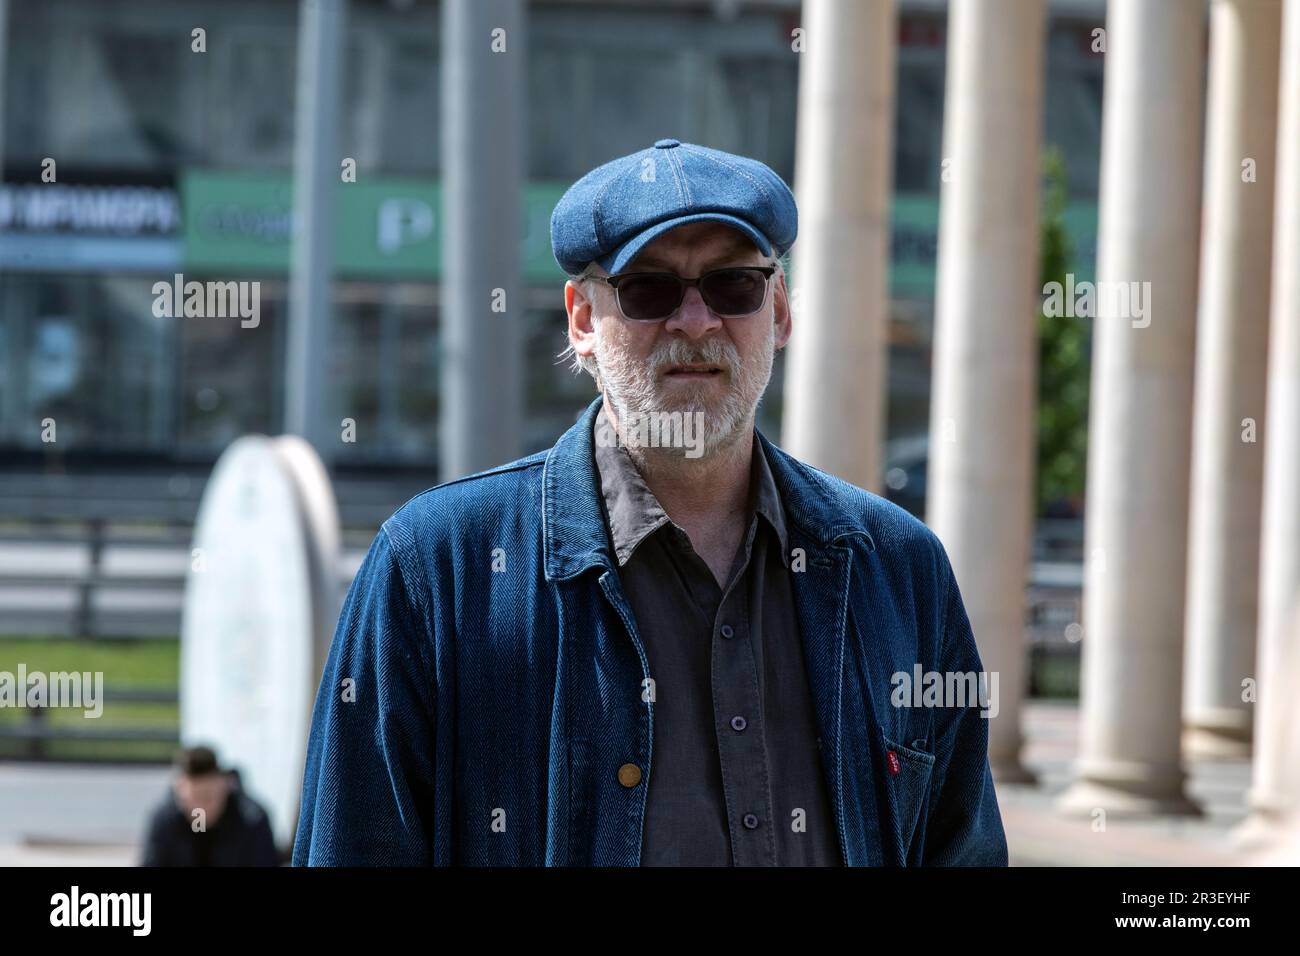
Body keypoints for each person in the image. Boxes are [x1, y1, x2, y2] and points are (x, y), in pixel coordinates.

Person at [294, 139, 1007, 866]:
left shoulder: (901, 571)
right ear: (581, 320)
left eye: (734, 286)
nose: (695, 322)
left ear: (781, 310)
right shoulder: (436, 572)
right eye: (649, 290)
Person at [141, 745, 280, 866]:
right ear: (180, 793)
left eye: (208, 797)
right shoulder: (165, 820)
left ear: (225, 785)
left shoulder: (252, 820)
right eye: (195, 799)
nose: (201, 809)